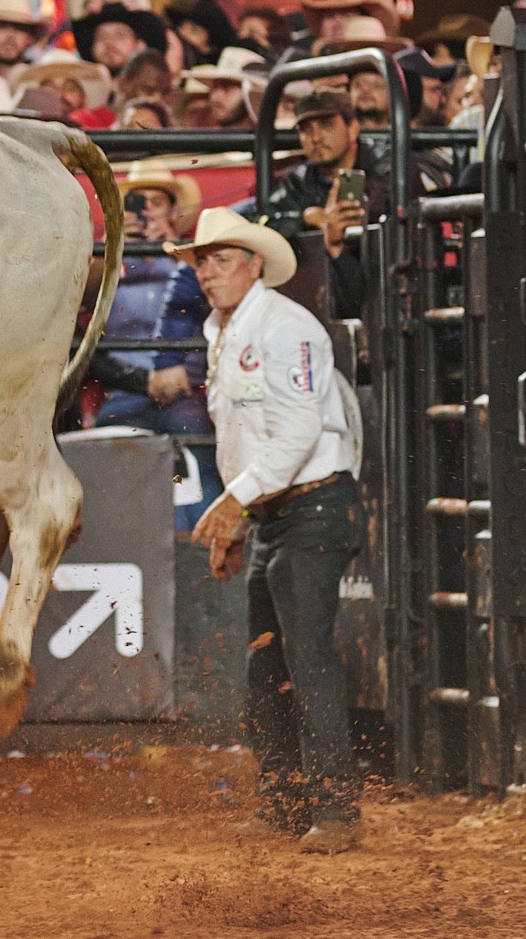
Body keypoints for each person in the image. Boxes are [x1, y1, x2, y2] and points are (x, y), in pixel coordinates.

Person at [170, 207, 364, 854]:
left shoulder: (288, 330)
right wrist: (238, 516)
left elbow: (299, 434)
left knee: (303, 657)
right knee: (268, 666)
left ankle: (335, 811)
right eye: (202, 260)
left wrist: (234, 506)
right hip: (279, 510)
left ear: (255, 264)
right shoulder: (221, 329)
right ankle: (285, 803)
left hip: (314, 505)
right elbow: (245, 441)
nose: (208, 271)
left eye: (221, 258)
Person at [90, 164, 220, 529]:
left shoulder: (194, 260)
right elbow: (77, 299)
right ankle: (117, 541)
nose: (146, 212)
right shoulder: (106, 260)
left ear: (174, 213)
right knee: (110, 454)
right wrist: (115, 246)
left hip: (187, 393)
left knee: (196, 454)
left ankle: (197, 540)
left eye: (156, 203)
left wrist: (169, 250)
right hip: (123, 392)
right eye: (137, 204)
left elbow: (213, 304)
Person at [260, 89, 413, 318]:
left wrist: (345, 222)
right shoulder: (299, 180)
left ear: (352, 128)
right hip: (323, 300)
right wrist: (308, 218)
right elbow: (263, 222)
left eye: (326, 125)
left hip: (390, 296)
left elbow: (385, 211)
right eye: (306, 130)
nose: (316, 137)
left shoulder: (389, 165)